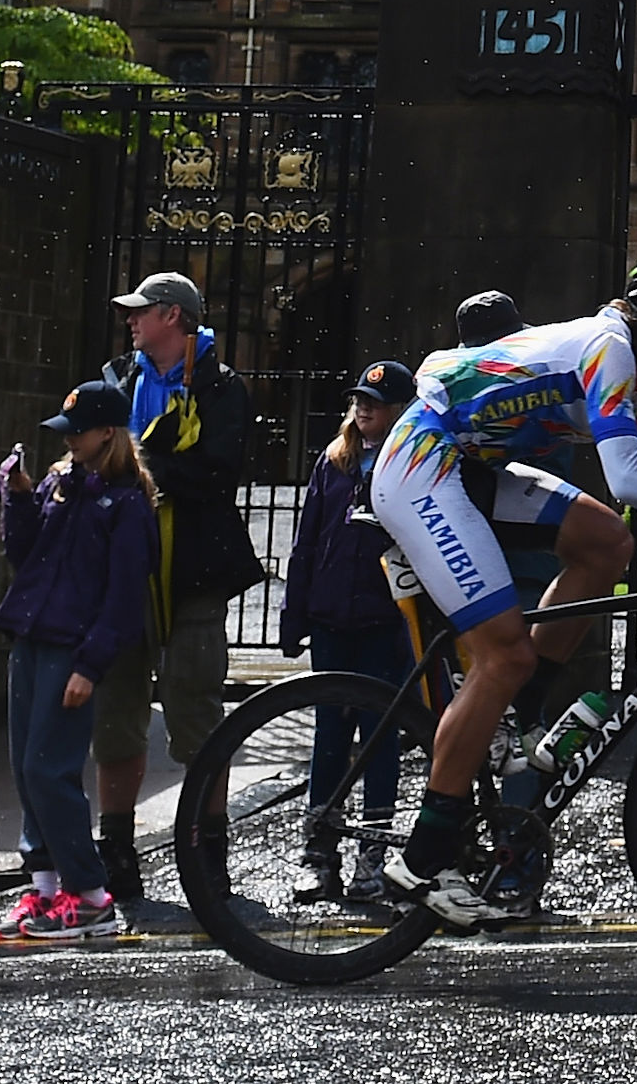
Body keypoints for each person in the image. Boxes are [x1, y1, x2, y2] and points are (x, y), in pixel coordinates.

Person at [370, 260, 637, 926]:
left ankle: (519, 714)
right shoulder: (610, 351)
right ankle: (423, 860)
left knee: (607, 544)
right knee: (501, 657)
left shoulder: (619, 359)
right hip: (424, 468)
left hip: (468, 467)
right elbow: (629, 481)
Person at [85, 272, 263, 911]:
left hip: (193, 574)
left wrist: (138, 465)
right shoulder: (116, 380)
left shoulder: (222, 388)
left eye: (140, 312)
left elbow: (216, 473)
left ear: (173, 316)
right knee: (117, 720)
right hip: (122, 577)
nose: (130, 322)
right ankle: (117, 853)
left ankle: (207, 856)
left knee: (196, 714)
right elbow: (89, 458)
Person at [0, 382, 156, 945]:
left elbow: (124, 596)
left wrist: (91, 664)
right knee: (26, 766)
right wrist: (18, 496)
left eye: (77, 433)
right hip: (32, 639)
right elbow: (25, 553)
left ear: (106, 432)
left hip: (70, 647)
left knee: (48, 768)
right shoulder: (62, 484)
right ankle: (44, 886)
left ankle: (88, 896)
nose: (69, 443)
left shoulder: (128, 502)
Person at [275, 361, 423, 898]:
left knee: (379, 737)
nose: (364, 409)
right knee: (330, 735)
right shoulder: (333, 463)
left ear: (400, 410)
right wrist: (296, 616)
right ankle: (319, 852)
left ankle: (373, 851)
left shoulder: (410, 465)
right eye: (360, 399)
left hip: (385, 622)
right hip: (333, 618)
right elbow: (307, 543)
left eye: (376, 402)